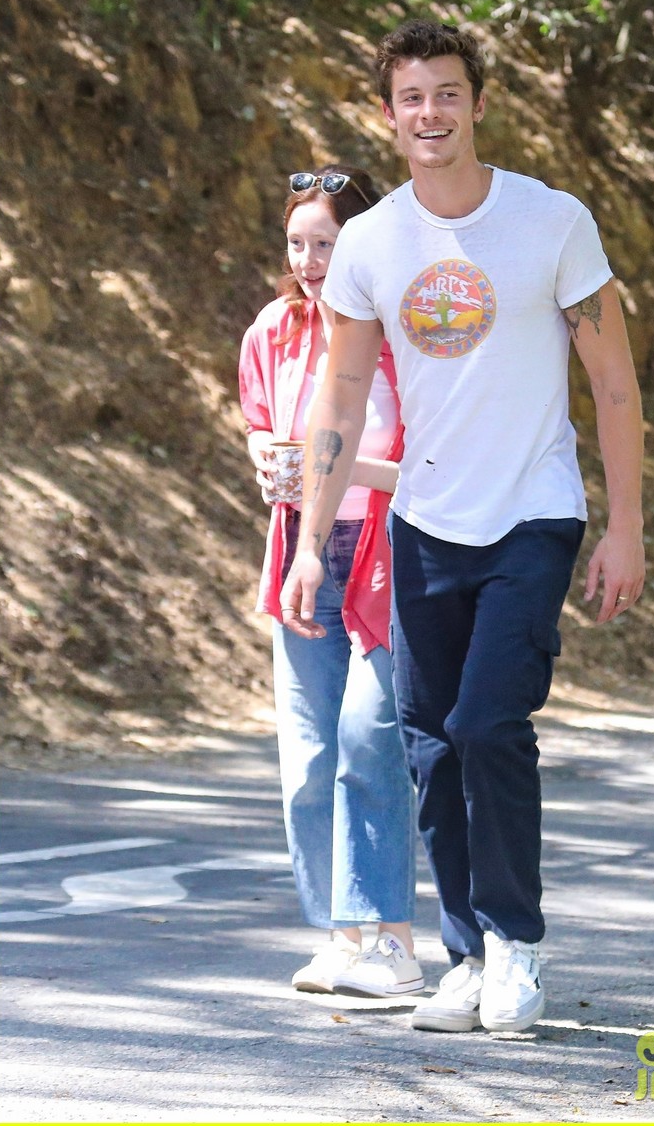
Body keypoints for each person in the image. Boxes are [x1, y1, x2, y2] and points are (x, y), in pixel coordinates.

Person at [280, 20, 646, 1033]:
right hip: (425, 523)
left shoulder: (551, 222)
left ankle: (514, 944)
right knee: (430, 745)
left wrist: (626, 528)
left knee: (488, 725)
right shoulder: (370, 241)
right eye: (411, 98)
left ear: (477, 103)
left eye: (447, 94)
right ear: (388, 114)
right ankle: (464, 955)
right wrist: (313, 541)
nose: (430, 114)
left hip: (532, 513)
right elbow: (341, 401)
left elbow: (612, 384)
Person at [238, 164, 423, 998]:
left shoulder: (398, 332)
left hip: (382, 556)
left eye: (327, 243)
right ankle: (340, 937)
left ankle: (396, 942)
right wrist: (271, 463)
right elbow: (257, 423)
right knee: (309, 760)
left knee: (365, 743)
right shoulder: (273, 329)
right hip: (299, 552)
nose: (311, 261)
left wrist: (341, 466)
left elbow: (426, 456)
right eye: (298, 244)